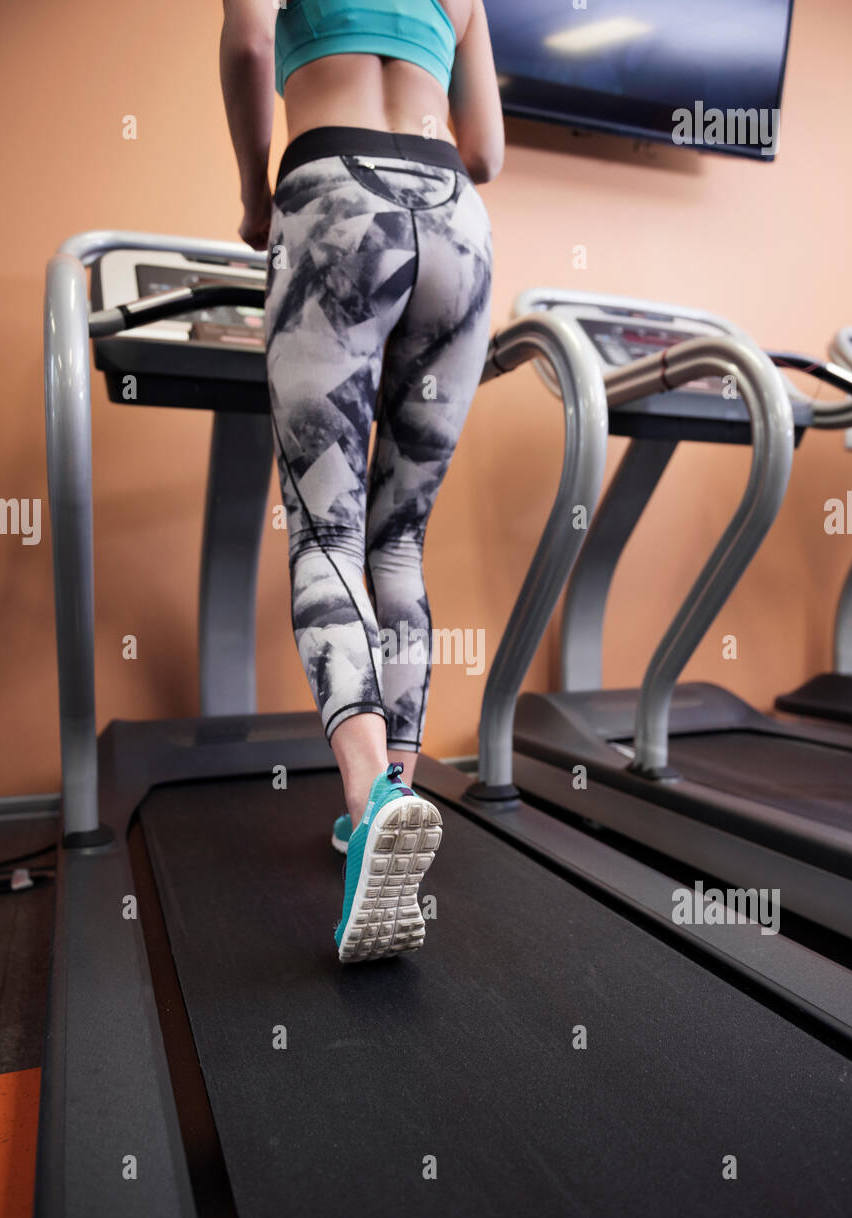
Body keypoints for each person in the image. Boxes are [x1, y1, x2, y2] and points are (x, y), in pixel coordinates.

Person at [220, 0, 504, 961]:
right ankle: (393, 800)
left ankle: (367, 792)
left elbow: (252, 41)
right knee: (398, 538)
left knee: (326, 530)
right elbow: (490, 149)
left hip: (336, 194)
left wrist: (258, 198)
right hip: (459, 221)